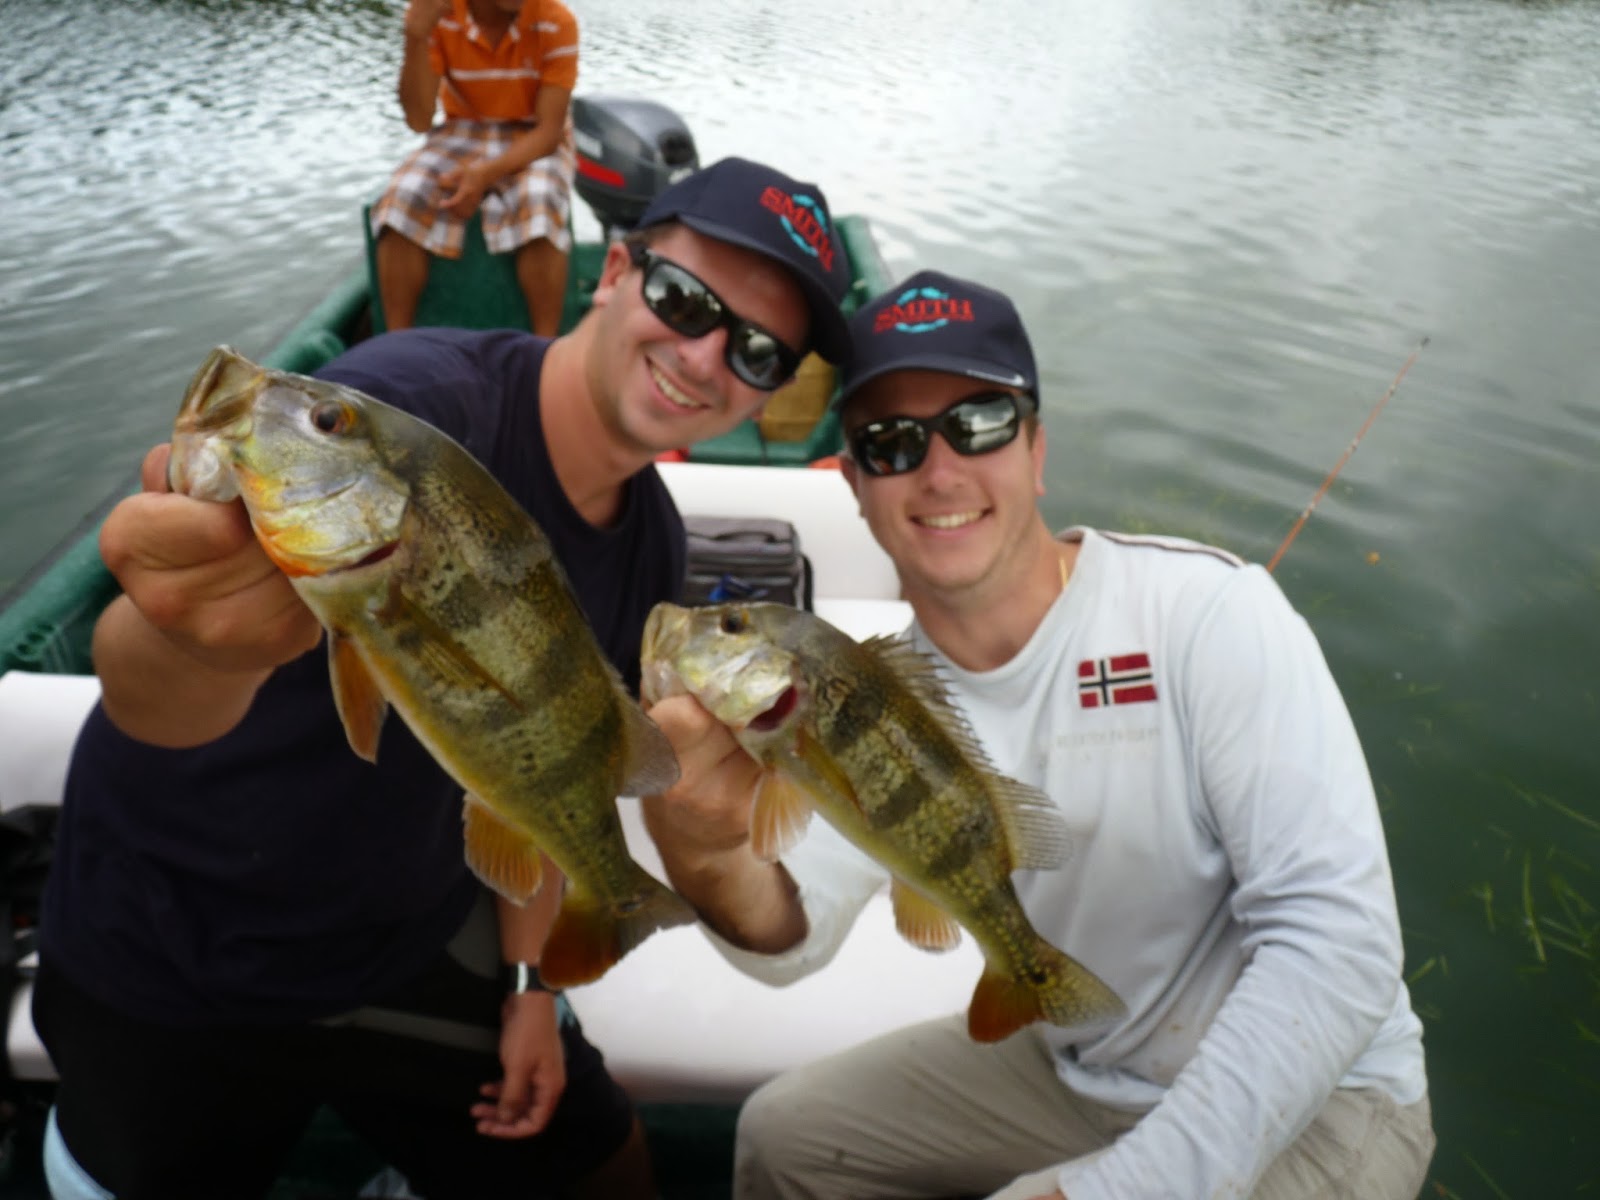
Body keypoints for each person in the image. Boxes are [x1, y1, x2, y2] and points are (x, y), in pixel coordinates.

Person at [33, 156, 852, 1200]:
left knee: (611, 1176)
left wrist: (530, 985)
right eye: (685, 300)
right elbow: (146, 695)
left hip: (404, 944)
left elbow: (546, 779)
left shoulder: (654, 542)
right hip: (173, 945)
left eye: (758, 350)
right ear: (614, 272)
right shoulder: (407, 408)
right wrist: (191, 642)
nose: (703, 355)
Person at [642, 270, 1437, 1199]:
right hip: (1084, 1065)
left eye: (979, 423)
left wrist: (1109, 1189)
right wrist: (701, 845)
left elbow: (1339, 946)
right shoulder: (866, 699)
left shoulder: (1208, 614)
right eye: (892, 443)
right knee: (786, 1141)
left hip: (1326, 1096)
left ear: (1036, 448)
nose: (941, 471)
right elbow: (791, 935)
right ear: (853, 483)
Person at [372, 0, 580, 336]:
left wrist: (483, 175)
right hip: (463, 129)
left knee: (539, 203)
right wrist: (415, 37)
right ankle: (396, 344)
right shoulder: (439, 13)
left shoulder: (556, 22)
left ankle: (544, 349)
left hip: (532, 132)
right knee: (401, 198)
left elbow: (549, 132)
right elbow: (419, 120)